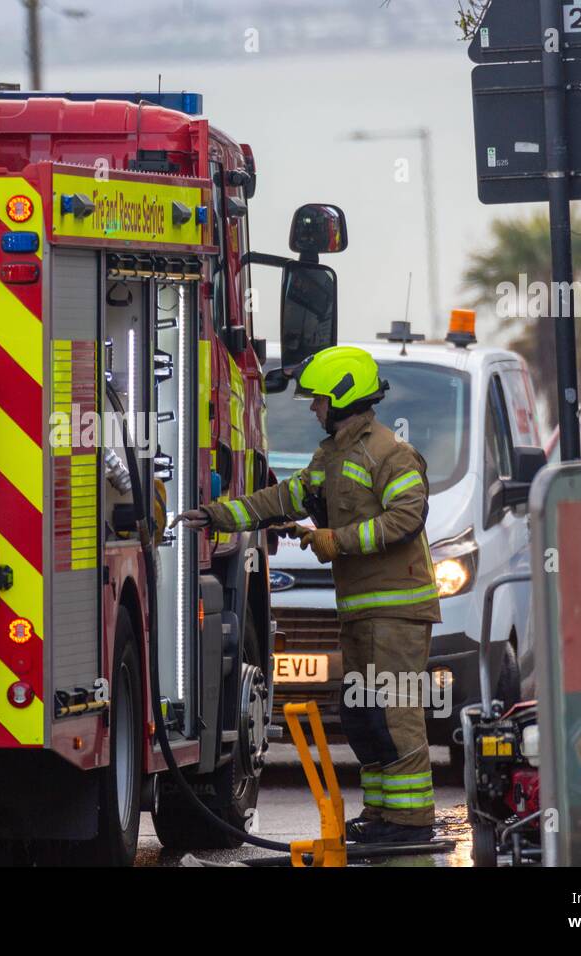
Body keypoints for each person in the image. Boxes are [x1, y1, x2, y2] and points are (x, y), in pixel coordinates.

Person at [175, 346, 440, 844]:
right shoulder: (332, 456)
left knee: (394, 714)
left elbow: (407, 518)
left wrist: (333, 540)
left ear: (343, 396)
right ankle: (385, 816)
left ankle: (411, 822)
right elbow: (280, 499)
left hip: (398, 612)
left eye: (319, 399)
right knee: (366, 719)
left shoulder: (390, 452)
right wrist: (215, 516)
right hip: (362, 611)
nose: (314, 408)